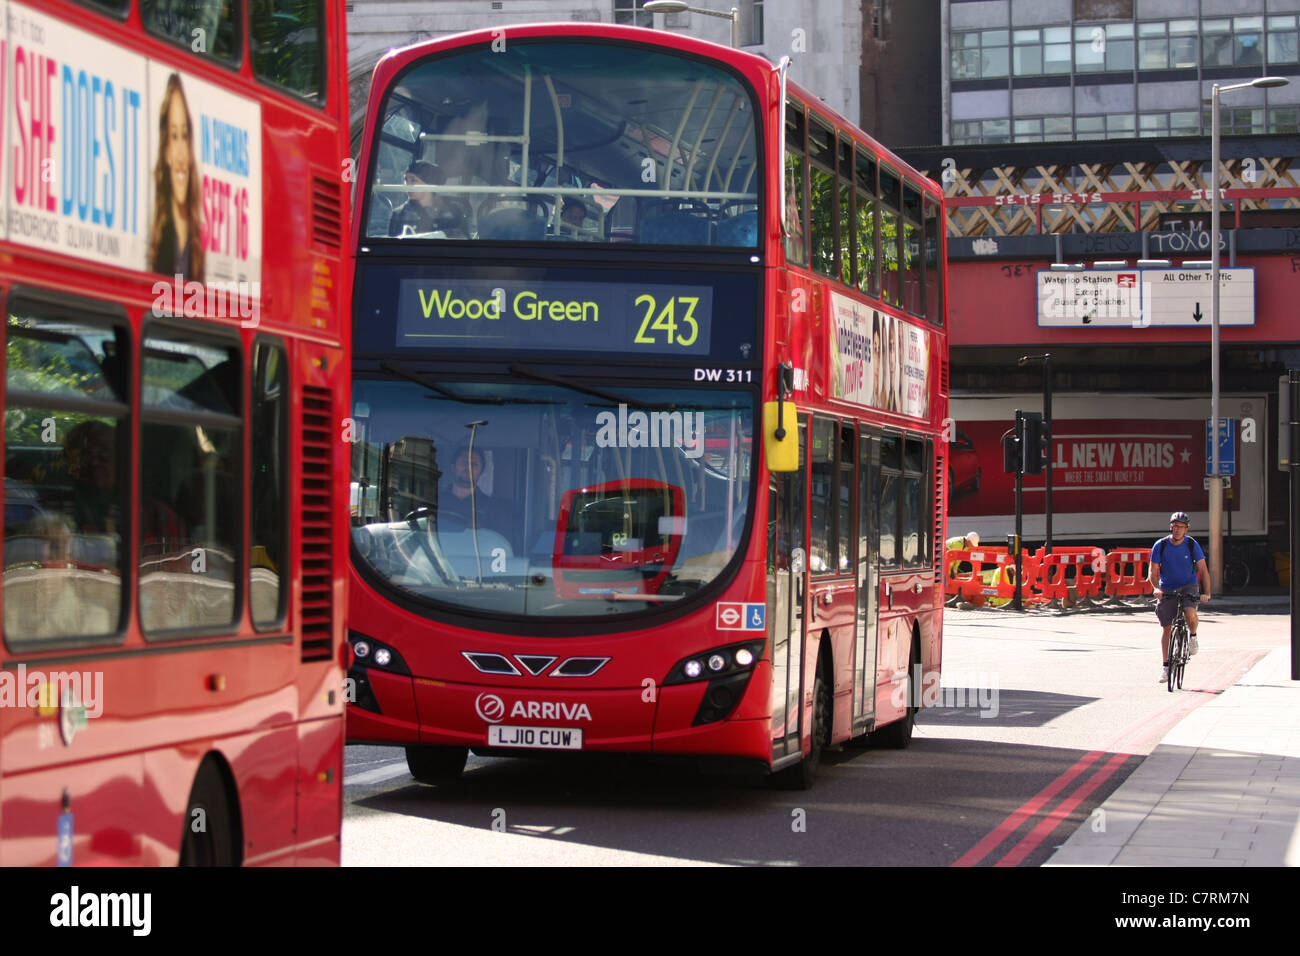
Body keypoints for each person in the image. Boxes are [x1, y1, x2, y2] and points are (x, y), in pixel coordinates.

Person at [149, 73, 205, 281]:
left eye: (184, 136)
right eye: (174, 137)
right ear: (165, 152)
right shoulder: (156, 241)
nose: (181, 155)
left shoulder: (199, 246)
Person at [1149, 510, 1210, 683]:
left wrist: (1207, 593)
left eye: (1181, 527)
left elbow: (1204, 570)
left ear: (1186, 530)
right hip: (1167, 587)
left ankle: (1193, 637)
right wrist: (1156, 588)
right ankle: (1166, 667)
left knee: (1190, 611)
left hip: (1188, 585)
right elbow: (1152, 571)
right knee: (1167, 628)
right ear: (1171, 527)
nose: (1177, 530)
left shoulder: (1192, 545)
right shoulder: (1160, 545)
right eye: (1175, 526)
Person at [389, 161, 455, 237]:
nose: (407, 185)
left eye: (413, 180)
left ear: (430, 183)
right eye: (406, 180)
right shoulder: (398, 214)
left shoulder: (450, 211)